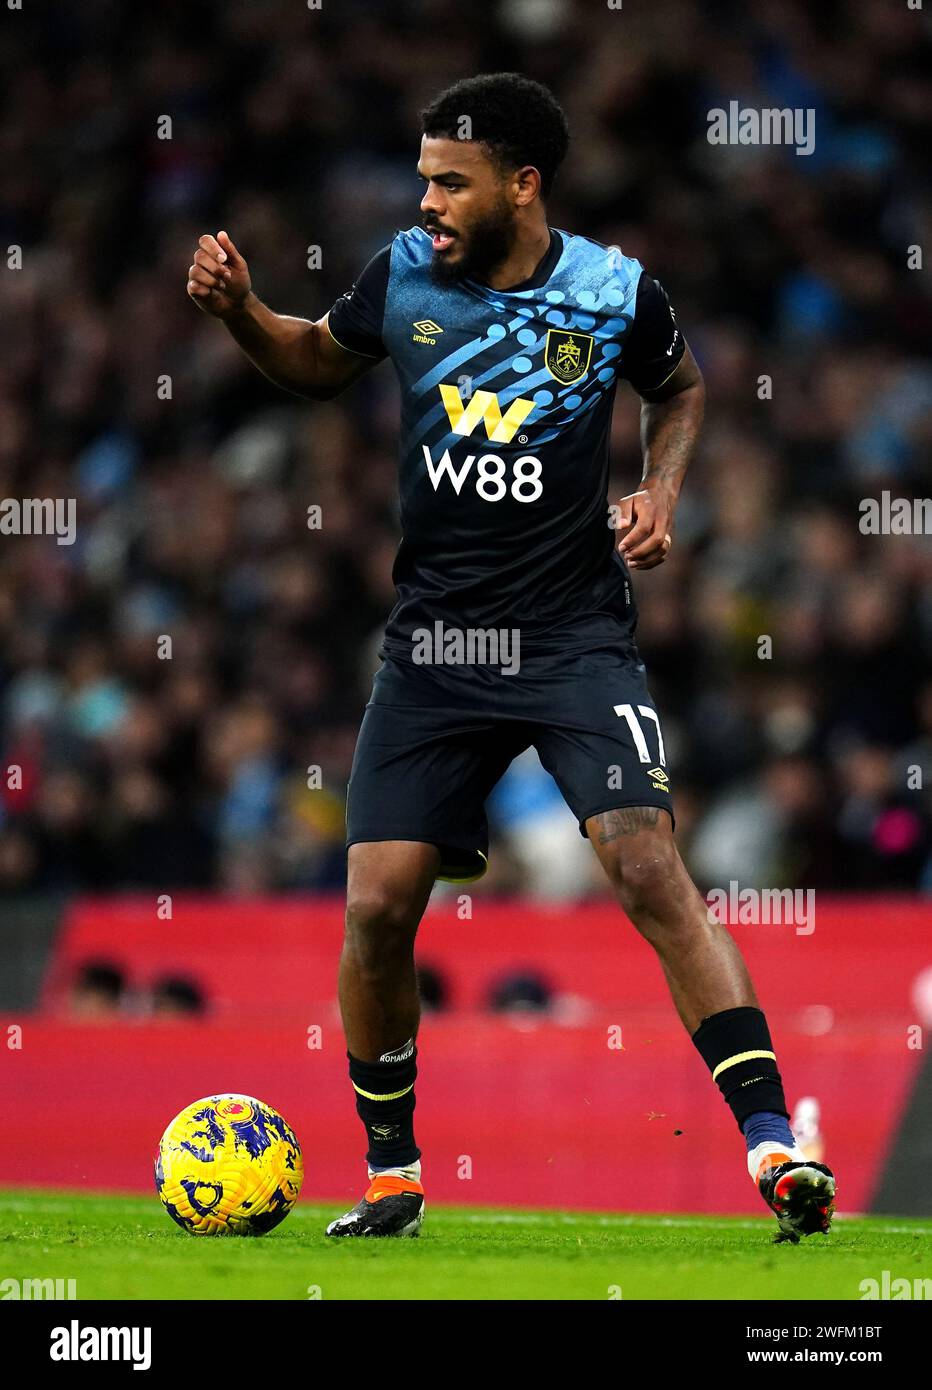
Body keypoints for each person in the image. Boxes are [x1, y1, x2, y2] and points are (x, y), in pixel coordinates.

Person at [186, 72, 835, 1243]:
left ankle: (770, 1141)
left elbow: (678, 389)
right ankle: (391, 1175)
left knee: (645, 869)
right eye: (422, 175)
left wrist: (660, 484)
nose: (425, 198)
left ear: (521, 183)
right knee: (379, 906)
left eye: (449, 180)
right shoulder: (402, 278)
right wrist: (240, 311)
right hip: (433, 645)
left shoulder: (612, 291)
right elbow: (313, 362)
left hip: (574, 636)